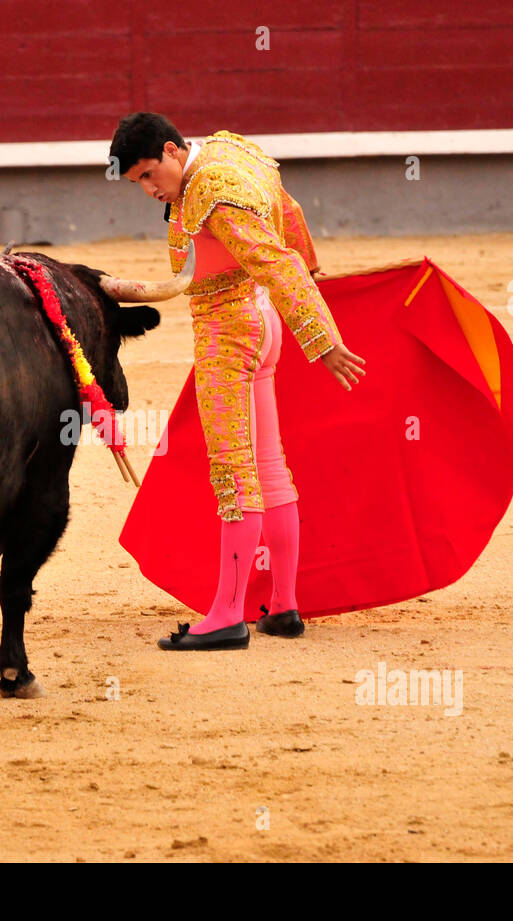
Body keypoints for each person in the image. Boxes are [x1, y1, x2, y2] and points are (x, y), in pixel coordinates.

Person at [108, 112, 367, 650]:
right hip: (262, 319)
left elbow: (274, 258)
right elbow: (288, 212)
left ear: (174, 150)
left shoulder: (211, 194)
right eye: (138, 184)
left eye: (150, 175)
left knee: (232, 471)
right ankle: (286, 606)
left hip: (229, 333)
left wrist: (322, 338)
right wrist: (313, 275)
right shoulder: (232, 151)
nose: (151, 190)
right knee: (270, 465)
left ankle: (227, 614)